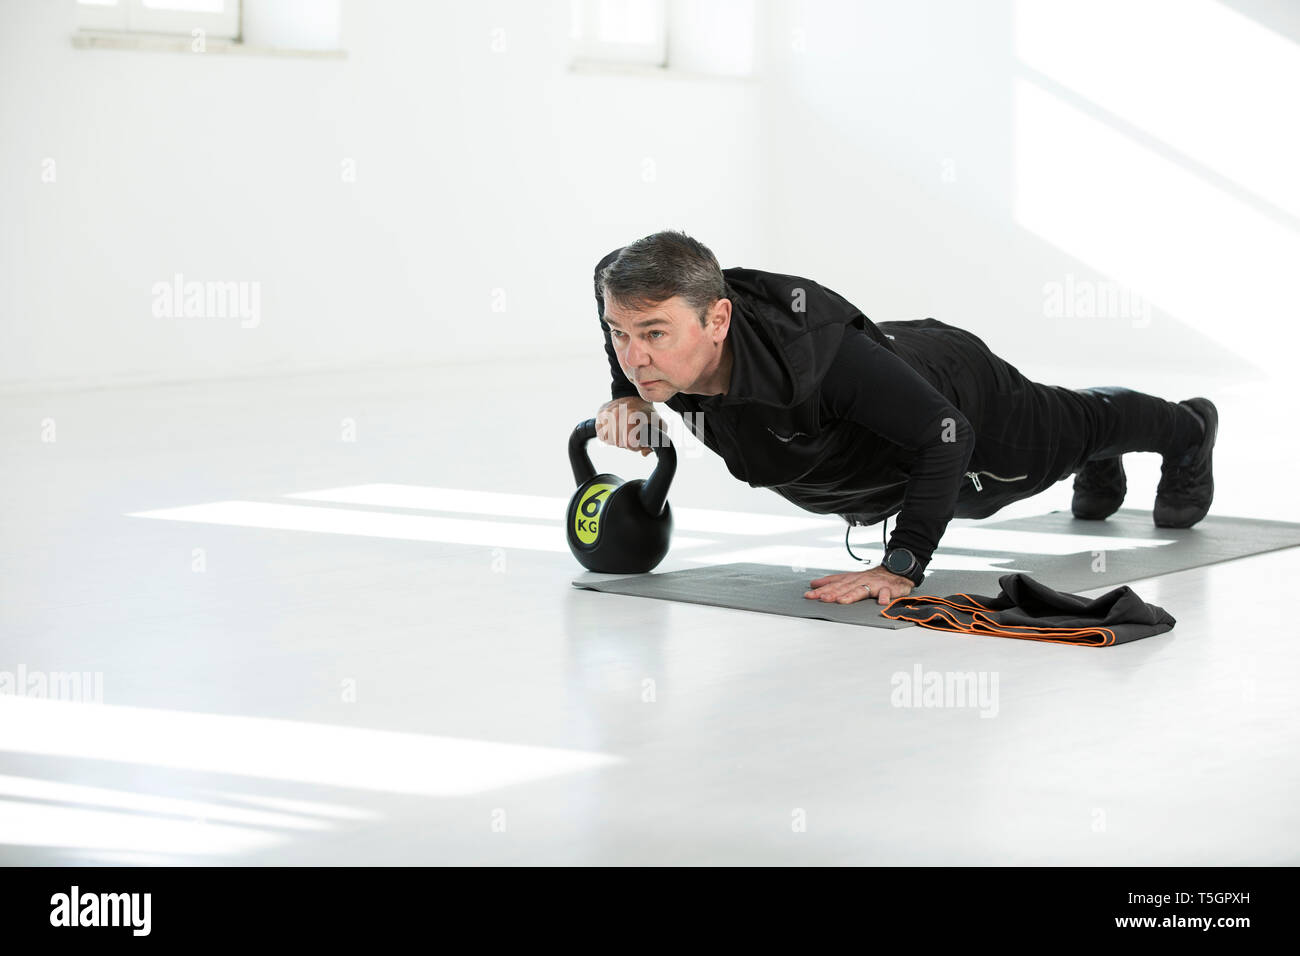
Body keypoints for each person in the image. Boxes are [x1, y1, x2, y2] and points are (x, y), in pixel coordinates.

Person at [591, 231, 1217, 607]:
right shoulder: (654, 341)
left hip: (959, 399)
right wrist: (628, 396)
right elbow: (613, 295)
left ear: (718, 320)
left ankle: (1189, 429)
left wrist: (901, 565)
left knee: (1049, 448)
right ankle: (1093, 449)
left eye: (653, 334)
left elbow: (947, 437)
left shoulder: (819, 362)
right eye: (622, 334)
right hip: (886, 398)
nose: (636, 354)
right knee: (1007, 475)